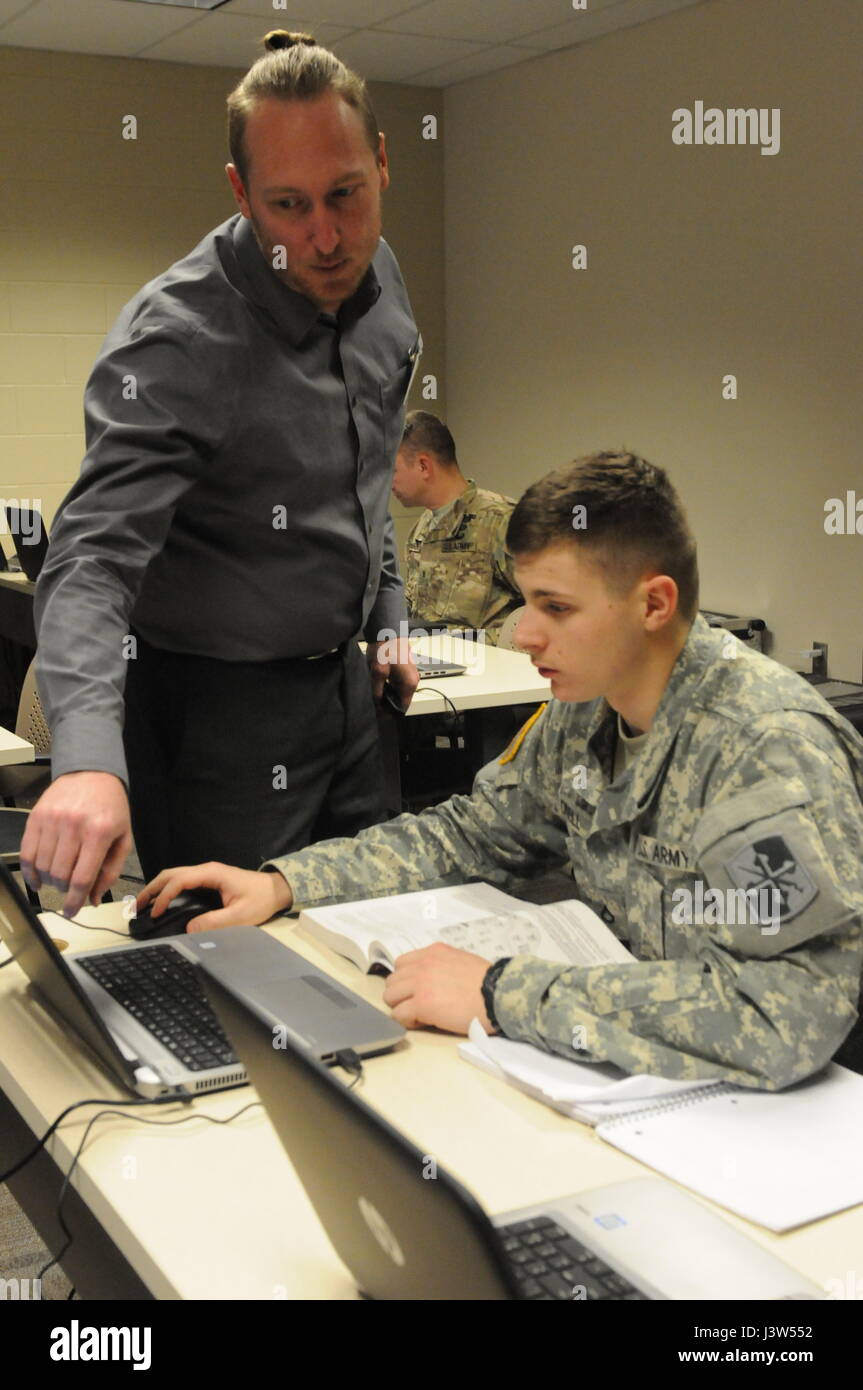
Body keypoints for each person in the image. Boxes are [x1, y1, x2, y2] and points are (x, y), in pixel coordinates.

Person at [138, 452, 863, 1089]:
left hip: (773, 1122)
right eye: (525, 601)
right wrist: (283, 883)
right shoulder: (586, 708)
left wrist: (501, 994)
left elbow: (786, 1010)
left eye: (555, 607)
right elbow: (472, 836)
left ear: (653, 603)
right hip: (633, 1075)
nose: (524, 632)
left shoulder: (762, 750)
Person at [24, 31, 421, 915]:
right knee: (236, 975)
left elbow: (365, 474)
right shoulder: (177, 342)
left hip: (351, 696)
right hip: (216, 719)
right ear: (241, 194)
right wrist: (87, 761)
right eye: (288, 206)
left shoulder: (380, 277)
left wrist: (389, 612)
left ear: (382, 165)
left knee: (372, 929)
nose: (325, 237)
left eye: (345, 195)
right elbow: (88, 564)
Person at [391, 411, 522, 643]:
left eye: (393, 471)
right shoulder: (421, 530)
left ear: (423, 466)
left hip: (492, 670)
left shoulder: (501, 521)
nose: (388, 483)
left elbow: (555, 606)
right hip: (433, 666)